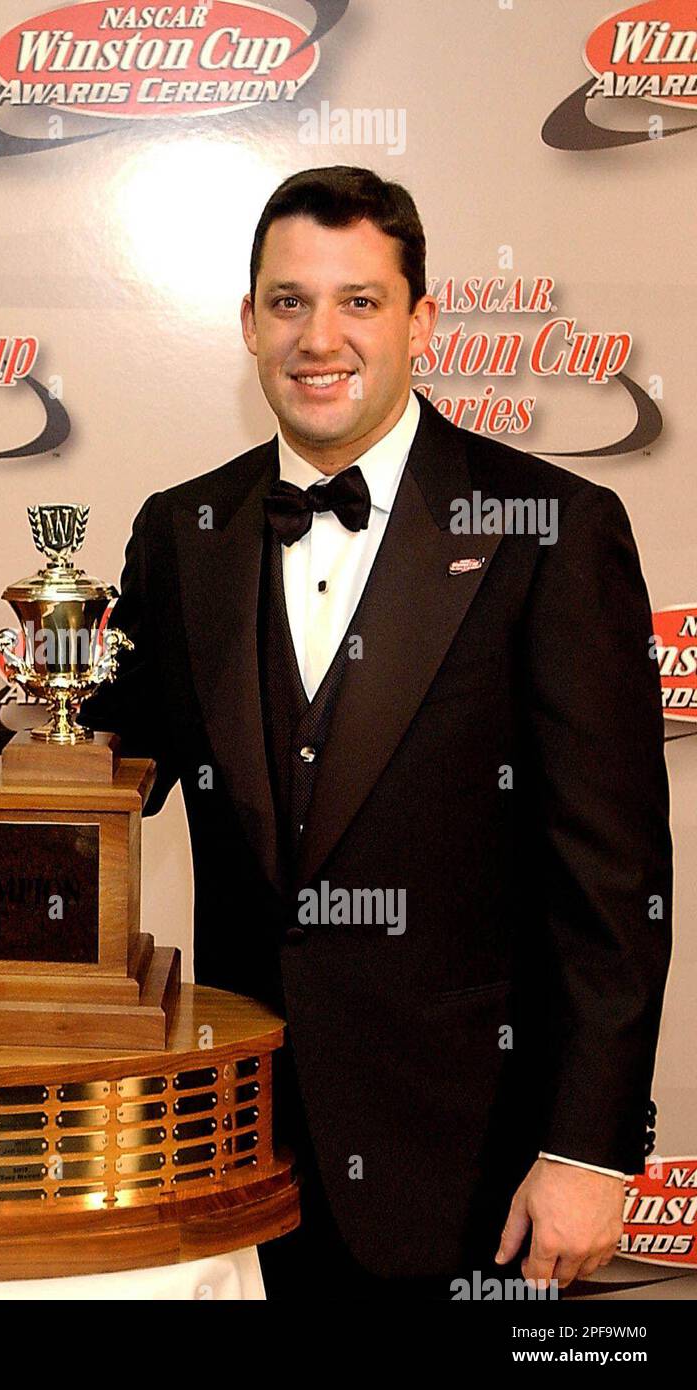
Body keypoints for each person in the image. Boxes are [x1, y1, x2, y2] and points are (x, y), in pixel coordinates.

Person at [80, 166, 672, 1298]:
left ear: (419, 321)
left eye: (358, 301)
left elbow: (612, 878)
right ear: (248, 321)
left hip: (476, 1169)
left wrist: (588, 1148)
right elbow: (98, 745)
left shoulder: (550, 528)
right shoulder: (181, 532)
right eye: (289, 301)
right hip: (235, 1154)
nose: (320, 336)